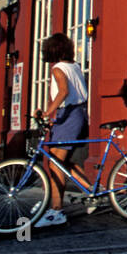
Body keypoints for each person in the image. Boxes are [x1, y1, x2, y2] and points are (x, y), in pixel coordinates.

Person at [36, 33, 89, 228]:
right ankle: (92, 191)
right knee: (63, 161)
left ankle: (56, 211)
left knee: (55, 164)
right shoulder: (75, 67)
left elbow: (64, 91)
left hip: (68, 115)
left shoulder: (57, 68)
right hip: (80, 114)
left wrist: (48, 113)